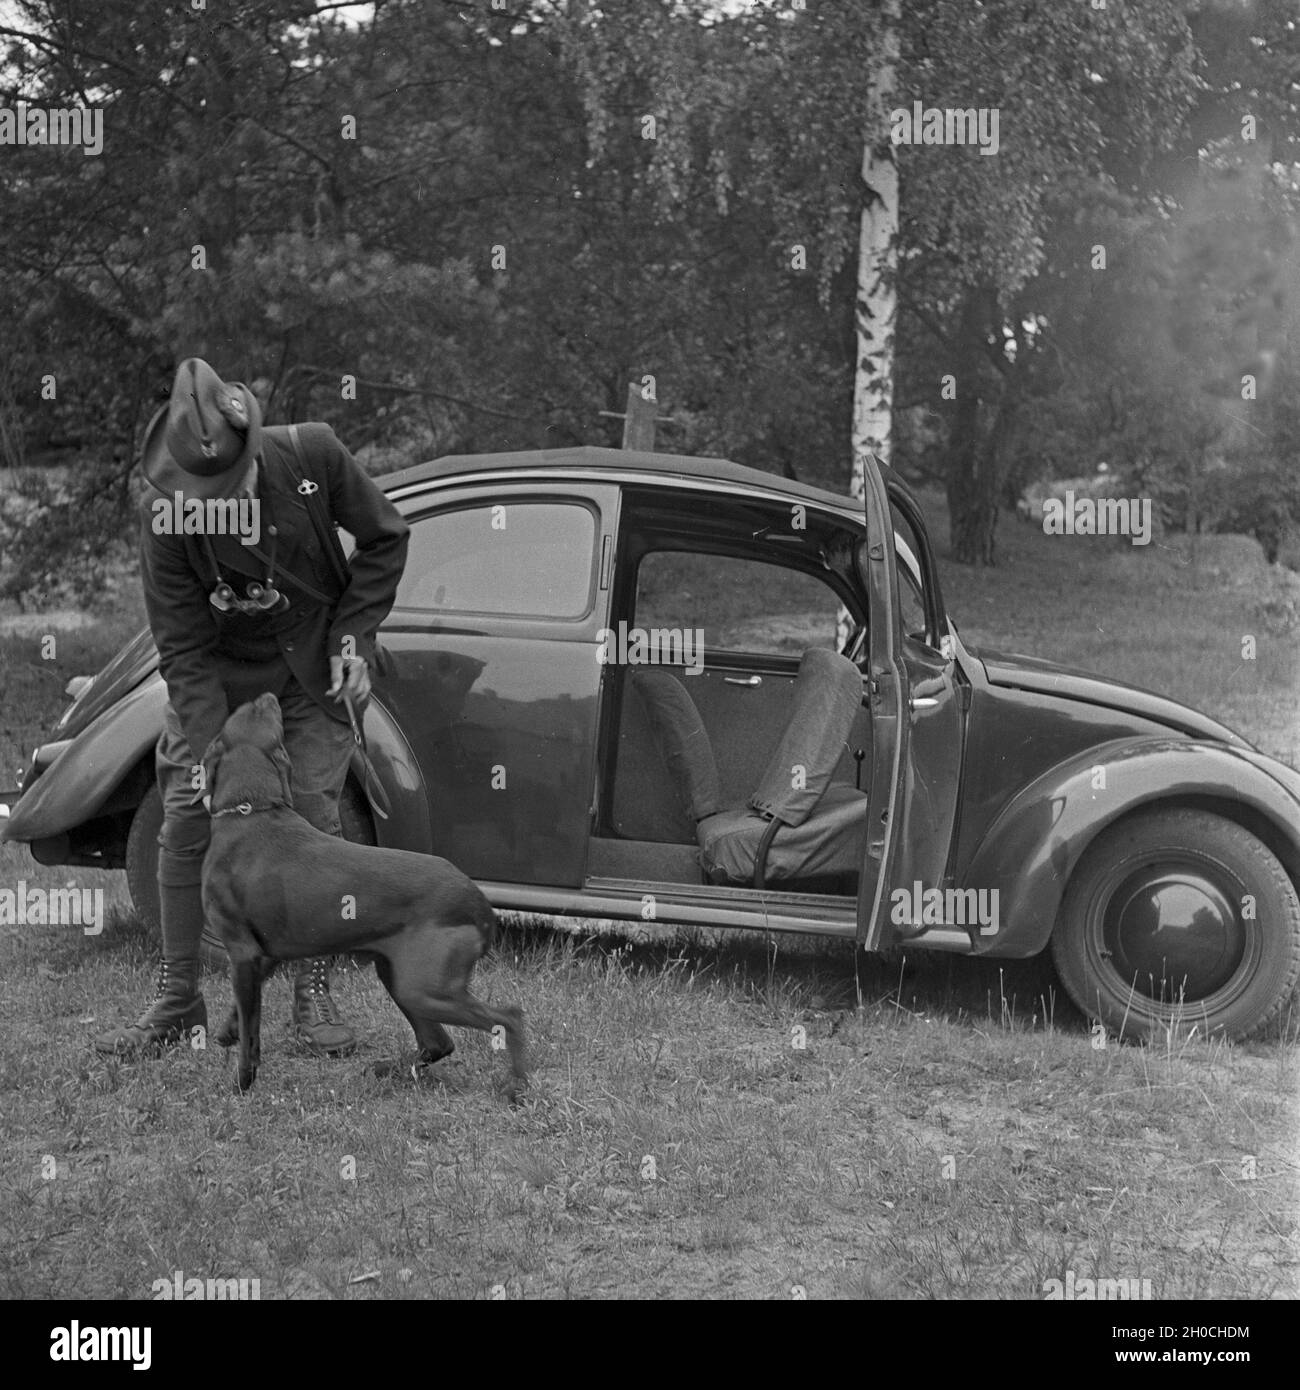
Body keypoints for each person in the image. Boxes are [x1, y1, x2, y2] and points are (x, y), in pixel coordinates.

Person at [95, 358, 409, 1057]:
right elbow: (179, 649)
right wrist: (212, 756)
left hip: (306, 668)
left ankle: (312, 989)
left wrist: (353, 637)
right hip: (214, 676)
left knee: (312, 813)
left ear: (250, 446)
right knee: (184, 815)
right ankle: (180, 1000)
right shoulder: (166, 521)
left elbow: (386, 537)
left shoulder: (313, 455)